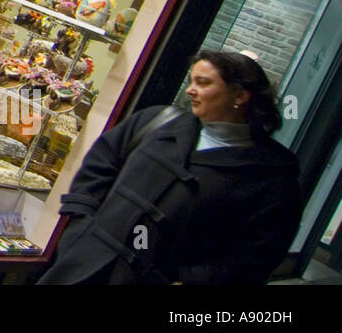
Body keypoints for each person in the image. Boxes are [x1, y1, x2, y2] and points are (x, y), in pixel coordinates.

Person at [38, 49, 301, 284]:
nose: (190, 90)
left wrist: (189, 281)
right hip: (81, 265)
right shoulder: (157, 122)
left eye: (203, 83)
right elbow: (101, 164)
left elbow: (256, 257)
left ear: (240, 95)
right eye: (191, 81)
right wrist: (80, 225)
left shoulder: (270, 177)